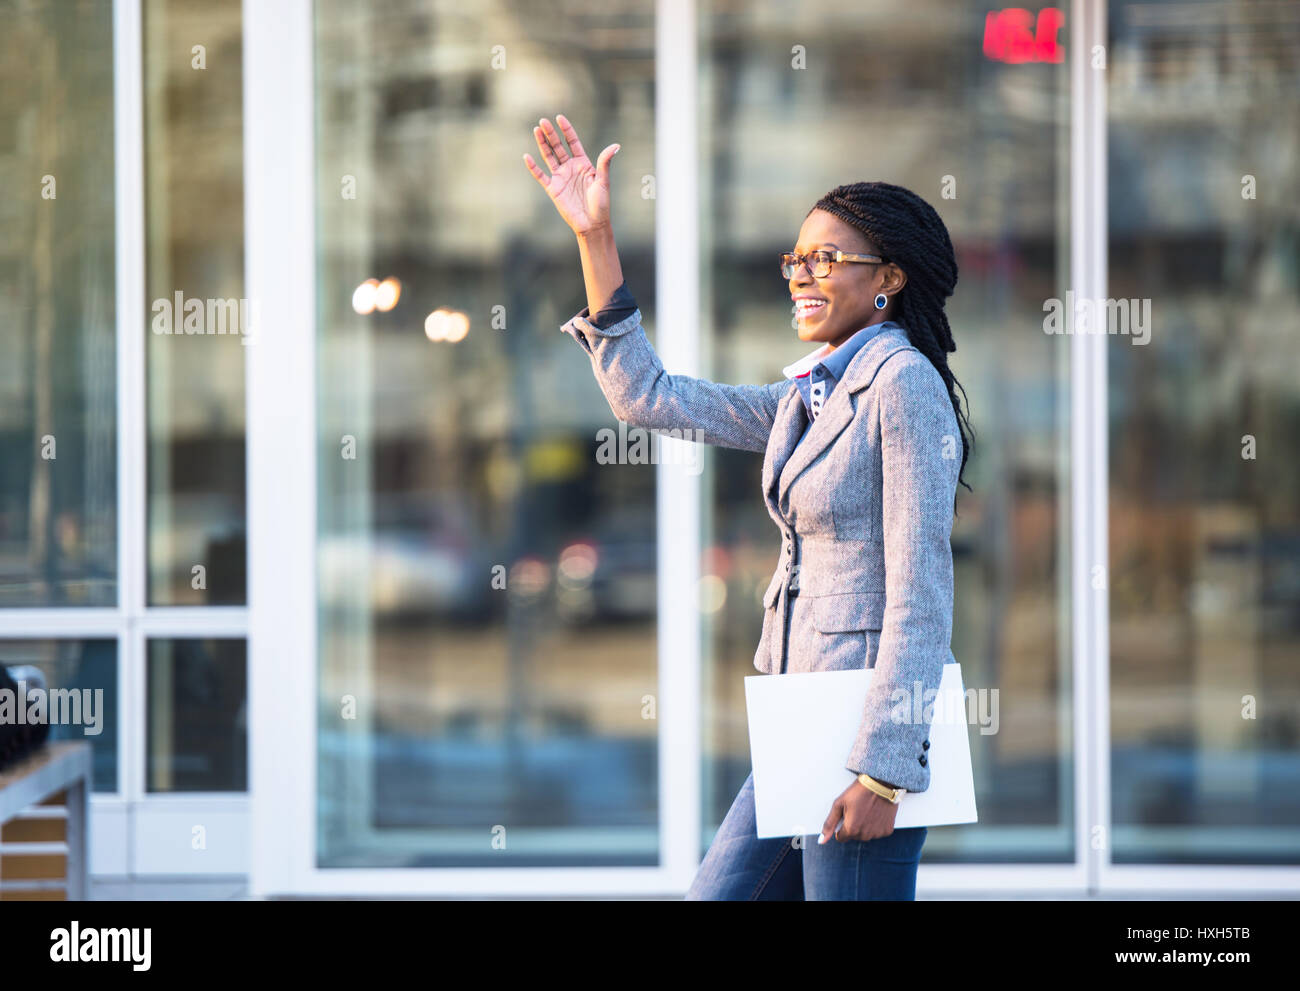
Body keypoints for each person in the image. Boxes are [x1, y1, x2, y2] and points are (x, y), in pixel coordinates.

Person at [525, 115, 973, 900]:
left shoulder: (903, 387)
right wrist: (596, 239)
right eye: (796, 258)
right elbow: (651, 398)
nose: (801, 274)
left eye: (826, 258)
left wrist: (885, 770)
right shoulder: (809, 396)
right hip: (801, 728)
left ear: (889, 280)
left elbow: (921, 591)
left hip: (863, 739)